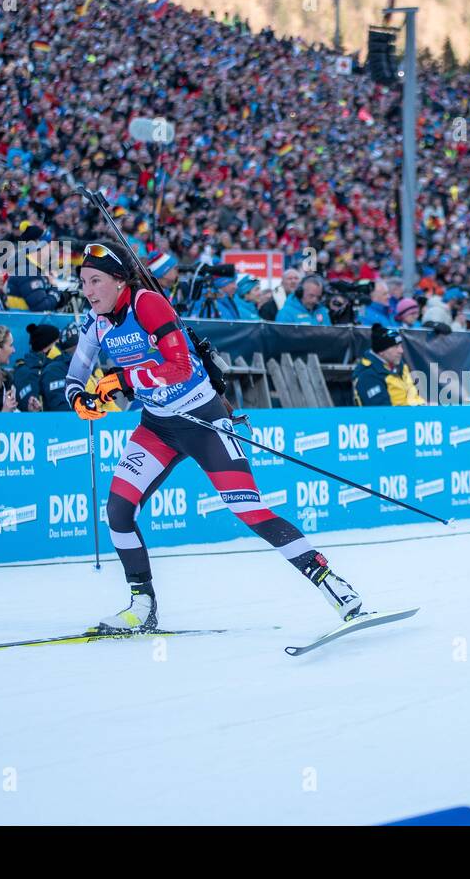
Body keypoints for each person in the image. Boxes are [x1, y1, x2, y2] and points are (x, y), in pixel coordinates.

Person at [64, 243, 368, 631]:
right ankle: (142, 605)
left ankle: (332, 584)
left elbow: (177, 367)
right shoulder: (96, 320)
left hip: (203, 419)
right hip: (158, 426)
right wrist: (78, 399)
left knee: (250, 510)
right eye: (83, 282)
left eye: (95, 281)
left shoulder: (149, 304)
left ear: (119, 280)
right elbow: (75, 375)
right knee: (118, 511)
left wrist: (122, 379)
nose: (88, 291)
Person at [352, 324, 425, 406]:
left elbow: (414, 396)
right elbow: (382, 414)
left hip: (416, 414)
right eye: (396, 347)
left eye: (401, 346)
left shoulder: (399, 365)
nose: (401, 351)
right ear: (381, 351)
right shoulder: (368, 375)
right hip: (399, 417)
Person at [6, 225, 65, 311]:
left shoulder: (32, 265)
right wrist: (55, 290)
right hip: (23, 322)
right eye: (49, 243)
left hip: (26, 320)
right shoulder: (27, 270)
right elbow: (40, 307)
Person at [12, 322, 60, 410]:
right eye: (56, 343)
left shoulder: (50, 366)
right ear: (46, 347)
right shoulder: (26, 372)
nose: (59, 348)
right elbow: (33, 406)